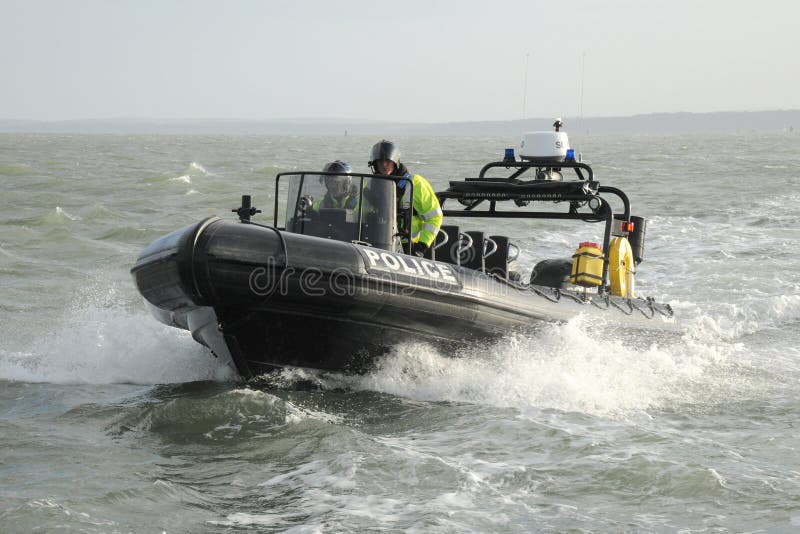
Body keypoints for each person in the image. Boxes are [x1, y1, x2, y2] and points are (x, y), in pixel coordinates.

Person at [368, 140, 442, 256]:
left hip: (409, 248)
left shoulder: (415, 183)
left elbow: (435, 217)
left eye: (388, 161)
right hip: (378, 245)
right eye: (380, 161)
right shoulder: (370, 186)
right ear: (374, 164)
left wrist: (422, 246)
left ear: (395, 162)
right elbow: (359, 214)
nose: (384, 165)